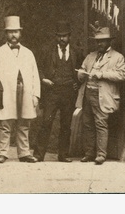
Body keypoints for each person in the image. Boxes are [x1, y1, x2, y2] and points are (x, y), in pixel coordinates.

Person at [0, 15, 41, 163]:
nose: (13, 35)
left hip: (25, 92)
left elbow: (34, 75)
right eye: (10, 32)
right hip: (6, 92)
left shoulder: (28, 53)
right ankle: (3, 153)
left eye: (16, 32)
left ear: (20, 33)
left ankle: (24, 153)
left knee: (24, 123)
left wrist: (36, 95)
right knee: (5, 123)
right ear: (6, 34)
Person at [76, 27, 125, 165]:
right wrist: (81, 73)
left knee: (100, 124)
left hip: (103, 95)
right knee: (87, 124)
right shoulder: (90, 56)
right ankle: (89, 153)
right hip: (88, 93)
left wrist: (102, 74)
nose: (99, 44)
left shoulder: (117, 57)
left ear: (109, 41)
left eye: (103, 41)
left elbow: (121, 75)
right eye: (98, 41)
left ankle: (101, 155)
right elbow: (82, 69)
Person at [35, 20, 81, 162]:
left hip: (68, 93)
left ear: (69, 36)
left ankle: (63, 155)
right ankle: (38, 154)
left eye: (65, 36)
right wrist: (43, 79)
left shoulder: (76, 52)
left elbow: (82, 71)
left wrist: (76, 84)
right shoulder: (47, 51)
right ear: (56, 36)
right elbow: (39, 68)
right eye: (59, 36)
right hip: (52, 92)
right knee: (46, 123)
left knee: (66, 124)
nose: (62, 39)